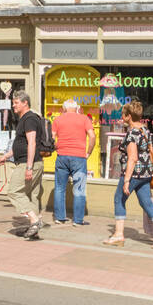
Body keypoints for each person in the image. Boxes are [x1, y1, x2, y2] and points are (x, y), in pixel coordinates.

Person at [103, 100, 153, 250]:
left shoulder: (132, 133)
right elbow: (151, 151)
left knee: (119, 199)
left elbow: (132, 158)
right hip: (146, 173)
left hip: (134, 174)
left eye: (123, 114)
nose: (121, 116)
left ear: (128, 116)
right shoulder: (146, 130)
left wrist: (126, 180)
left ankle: (118, 234)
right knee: (146, 203)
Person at [0, 90, 47, 240]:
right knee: (32, 195)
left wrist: (29, 167)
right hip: (33, 162)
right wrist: (5, 157)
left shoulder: (29, 119)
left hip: (28, 162)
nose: (13, 106)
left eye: (16, 103)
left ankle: (35, 221)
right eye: (13, 103)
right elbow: (22, 143)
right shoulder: (27, 118)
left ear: (25, 102)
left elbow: (31, 143)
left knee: (14, 192)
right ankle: (34, 229)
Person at [52, 97, 95, 227]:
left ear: (64, 109)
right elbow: (92, 136)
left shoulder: (57, 120)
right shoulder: (84, 119)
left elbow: (52, 138)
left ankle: (59, 217)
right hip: (79, 157)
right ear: (77, 108)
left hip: (62, 157)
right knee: (79, 189)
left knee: (59, 188)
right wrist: (88, 152)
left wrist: (57, 148)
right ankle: (78, 220)